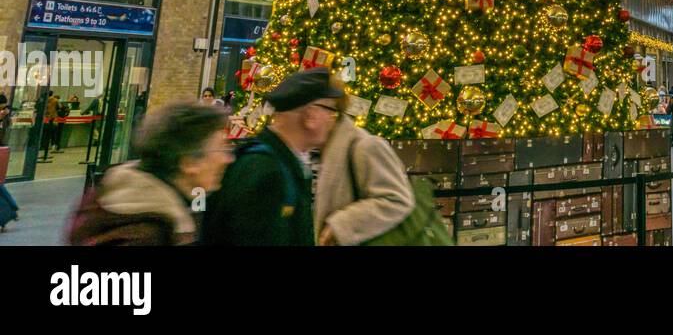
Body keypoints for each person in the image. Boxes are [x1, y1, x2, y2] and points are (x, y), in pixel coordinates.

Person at [201, 68, 342, 246]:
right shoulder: (266, 171)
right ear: (310, 116)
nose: (332, 119)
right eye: (330, 111)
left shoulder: (277, 160)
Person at [67, 102, 232, 245]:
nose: (228, 159)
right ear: (189, 162)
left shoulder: (166, 214)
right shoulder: (147, 233)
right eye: (221, 149)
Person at [314, 92, 416, 244]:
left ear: (332, 112)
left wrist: (340, 226)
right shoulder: (319, 149)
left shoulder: (365, 146)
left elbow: (397, 199)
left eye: (314, 109)